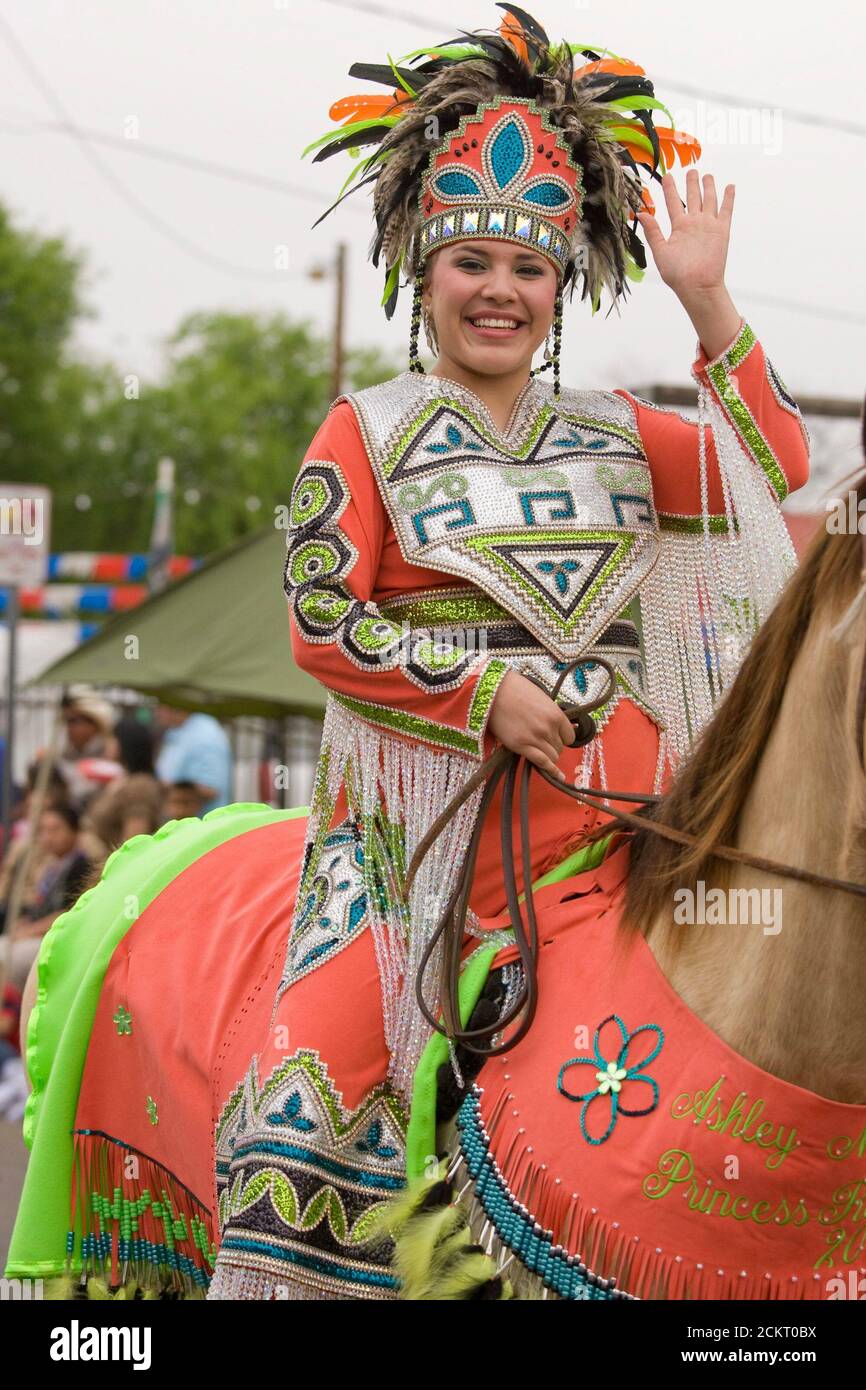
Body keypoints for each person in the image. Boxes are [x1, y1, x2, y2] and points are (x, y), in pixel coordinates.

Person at [206, 8, 809, 1300]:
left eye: (526, 268)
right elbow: (321, 613)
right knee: (293, 1127)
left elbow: (775, 473)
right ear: (420, 273)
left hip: (630, 845)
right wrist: (483, 693)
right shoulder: (360, 432)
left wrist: (706, 297)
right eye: (469, 259)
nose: (497, 288)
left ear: (564, 288)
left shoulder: (623, 433)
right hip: (414, 866)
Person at [4, 803, 92, 993]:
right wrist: (25, 923)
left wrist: (31, 930)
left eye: (55, 830)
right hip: (37, 933)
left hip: (58, 939)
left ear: (74, 831)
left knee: (9, 956)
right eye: (43, 830)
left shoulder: (81, 867)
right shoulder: (53, 867)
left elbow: (70, 912)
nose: (48, 837)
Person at [154, 705, 232, 814]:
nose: (156, 712)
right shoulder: (177, 730)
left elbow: (211, 789)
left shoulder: (206, 735)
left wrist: (171, 789)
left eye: (160, 706)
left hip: (203, 825)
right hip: (185, 825)